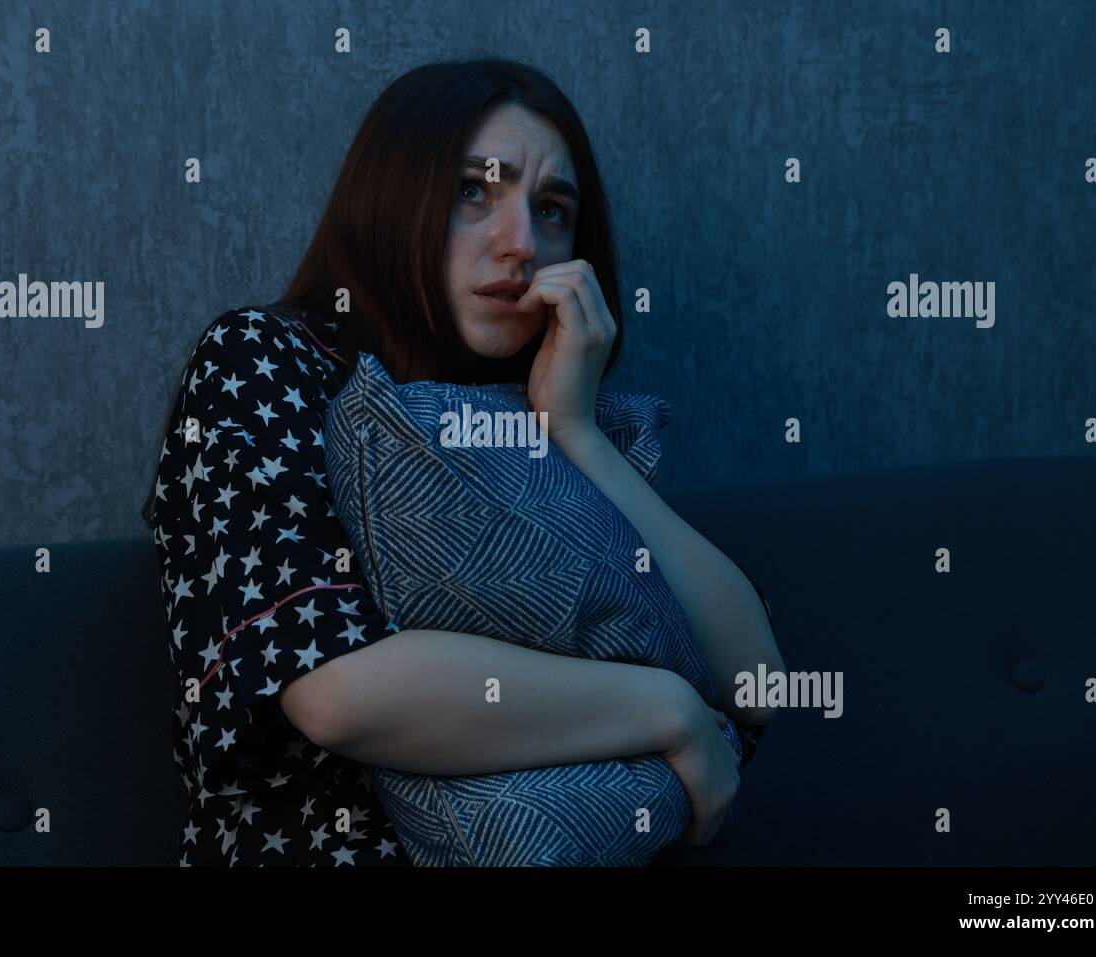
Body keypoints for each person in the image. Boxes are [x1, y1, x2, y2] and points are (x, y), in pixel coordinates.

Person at [141, 58, 784, 867]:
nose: (521, 244)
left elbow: (756, 679)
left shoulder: (551, 403)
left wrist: (577, 435)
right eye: (475, 191)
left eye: (552, 211)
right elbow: (336, 689)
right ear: (393, 194)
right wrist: (668, 708)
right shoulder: (265, 363)